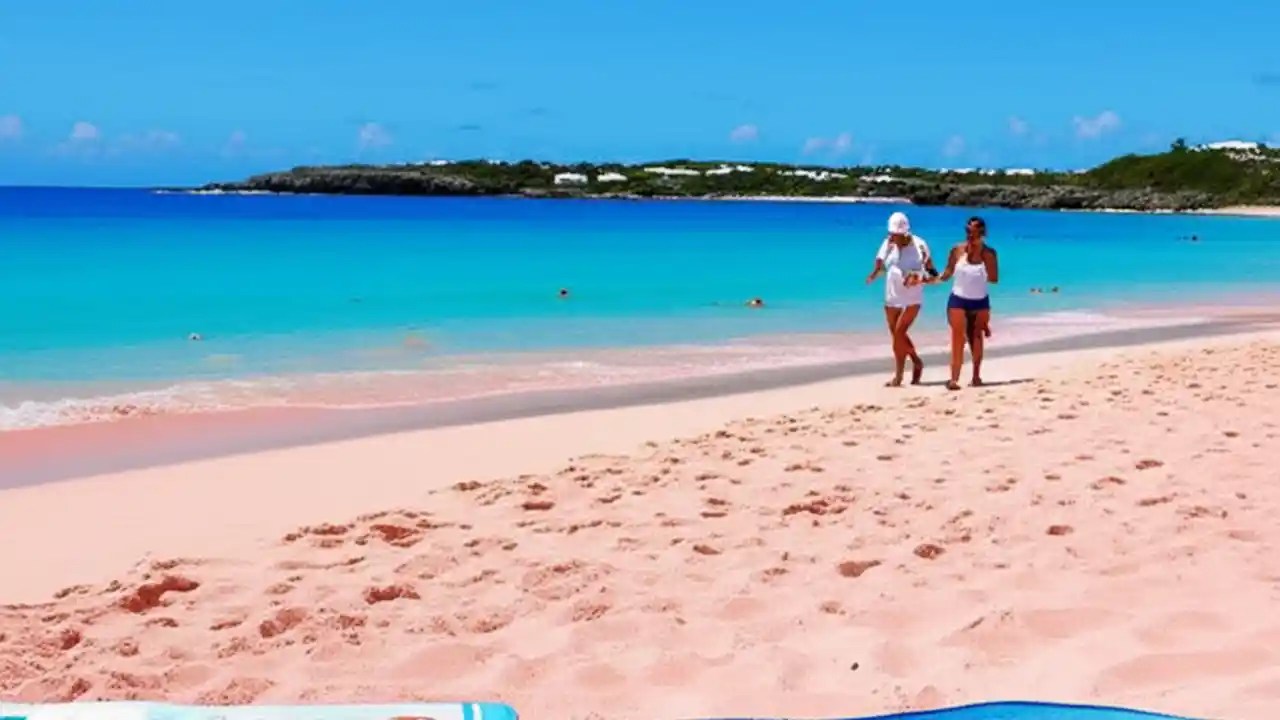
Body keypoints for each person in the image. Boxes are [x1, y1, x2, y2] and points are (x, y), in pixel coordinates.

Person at [866, 211, 937, 386]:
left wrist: (919, 279)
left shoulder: (920, 246)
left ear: (905, 233)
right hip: (892, 294)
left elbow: (934, 275)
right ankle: (915, 362)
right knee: (897, 337)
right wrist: (874, 273)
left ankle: (899, 376)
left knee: (899, 334)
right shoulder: (888, 242)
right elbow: (880, 260)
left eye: (896, 235)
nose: (892, 237)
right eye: (891, 233)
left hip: (912, 297)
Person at [937, 216, 999, 390]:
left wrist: (982, 263)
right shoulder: (957, 250)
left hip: (980, 301)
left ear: (982, 234)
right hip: (958, 299)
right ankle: (954, 379)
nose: (970, 236)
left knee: (976, 337)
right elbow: (946, 274)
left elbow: (994, 279)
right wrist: (925, 279)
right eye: (968, 232)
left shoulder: (989, 253)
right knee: (957, 337)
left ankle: (976, 376)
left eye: (974, 233)